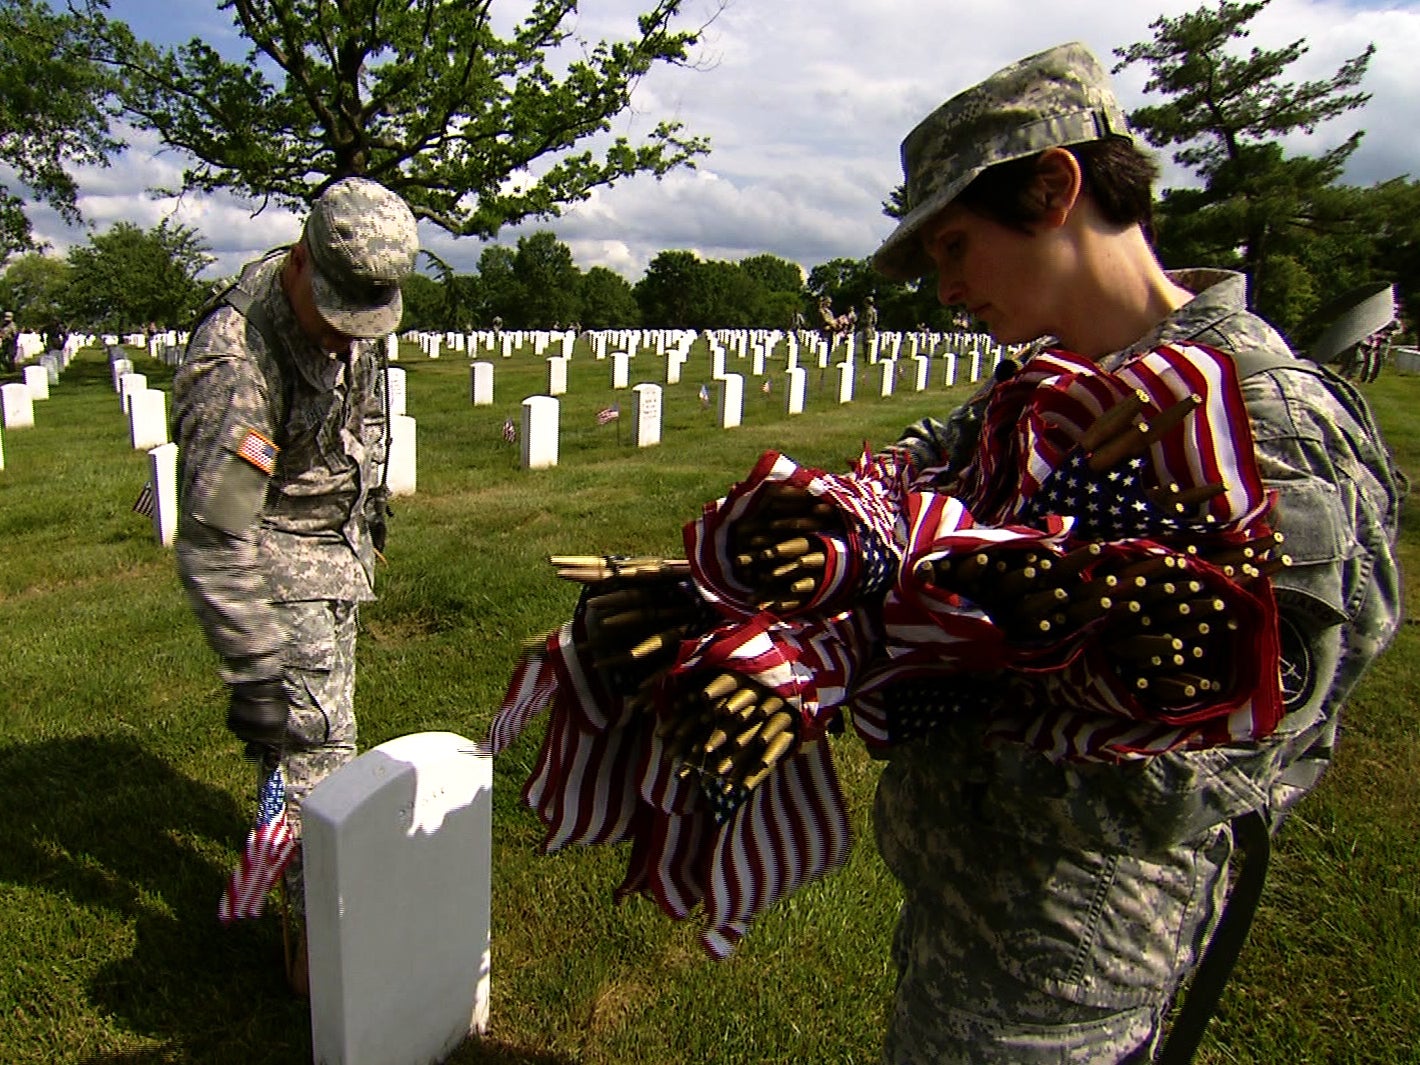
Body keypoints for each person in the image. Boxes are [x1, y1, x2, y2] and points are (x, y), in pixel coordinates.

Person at [867, 43, 1403, 1063]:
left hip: (1072, 936)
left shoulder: (1248, 408)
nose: (944, 289)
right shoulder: (1041, 389)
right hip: (968, 894)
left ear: (1055, 186)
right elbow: (896, 486)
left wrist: (1008, 670)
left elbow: (1271, 702)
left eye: (953, 247)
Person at [172, 176, 419, 994]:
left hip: (337, 549)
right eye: (338, 318)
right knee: (321, 754)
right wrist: (252, 666)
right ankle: (331, 966)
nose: (352, 342)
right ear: (301, 265)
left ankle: (325, 913)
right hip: (276, 559)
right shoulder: (236, 361)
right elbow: (219, 531)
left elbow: (364, 419)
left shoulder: (352, 302)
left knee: (330, 734)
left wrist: (368, 522)